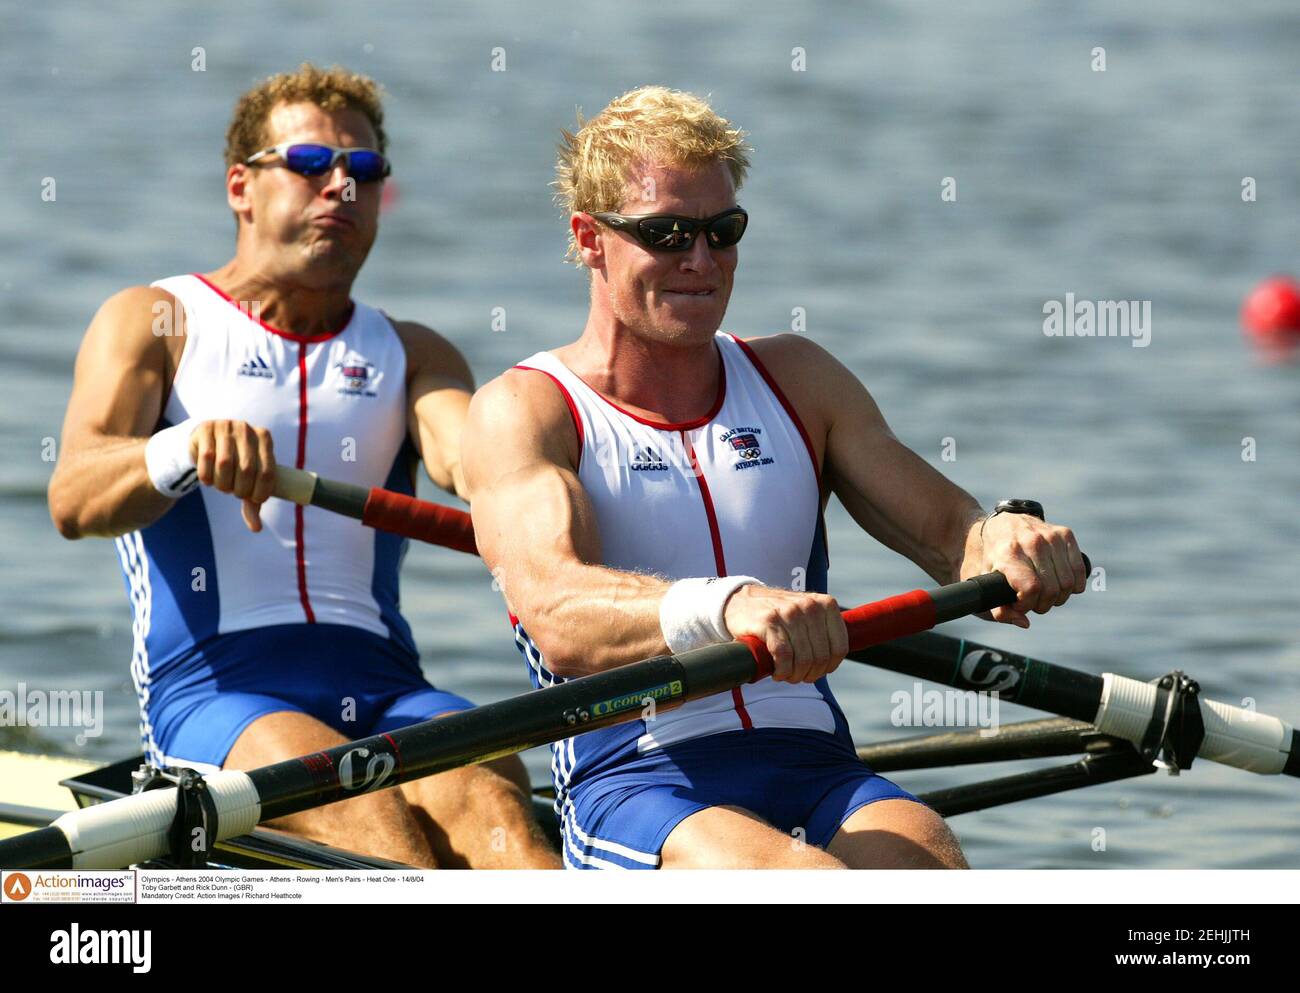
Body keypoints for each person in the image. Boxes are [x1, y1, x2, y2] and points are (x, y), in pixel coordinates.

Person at [462, 86, 1087, 869]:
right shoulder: (527, 410)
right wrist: (729, 604)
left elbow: (947, 533)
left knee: (932, 859)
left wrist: (1005, 537)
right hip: (640, 781)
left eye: (723, 231)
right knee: (805, 880)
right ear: (590, 239)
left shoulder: (800, 379)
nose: (701, 260)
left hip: (816, 766)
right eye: (666, 233)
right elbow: (556, 612)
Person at [47, 64, 559, 869]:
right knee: (365, 814)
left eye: (362, 172)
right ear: (241, 187)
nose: (341, 190)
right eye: (313, 166)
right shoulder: (158, 321)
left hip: (393, 688)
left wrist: (546, 470)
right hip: (220, 695)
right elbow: (75, 496)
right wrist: (181, 448)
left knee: (495, 799)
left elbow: (474, 458)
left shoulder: (417, 353)